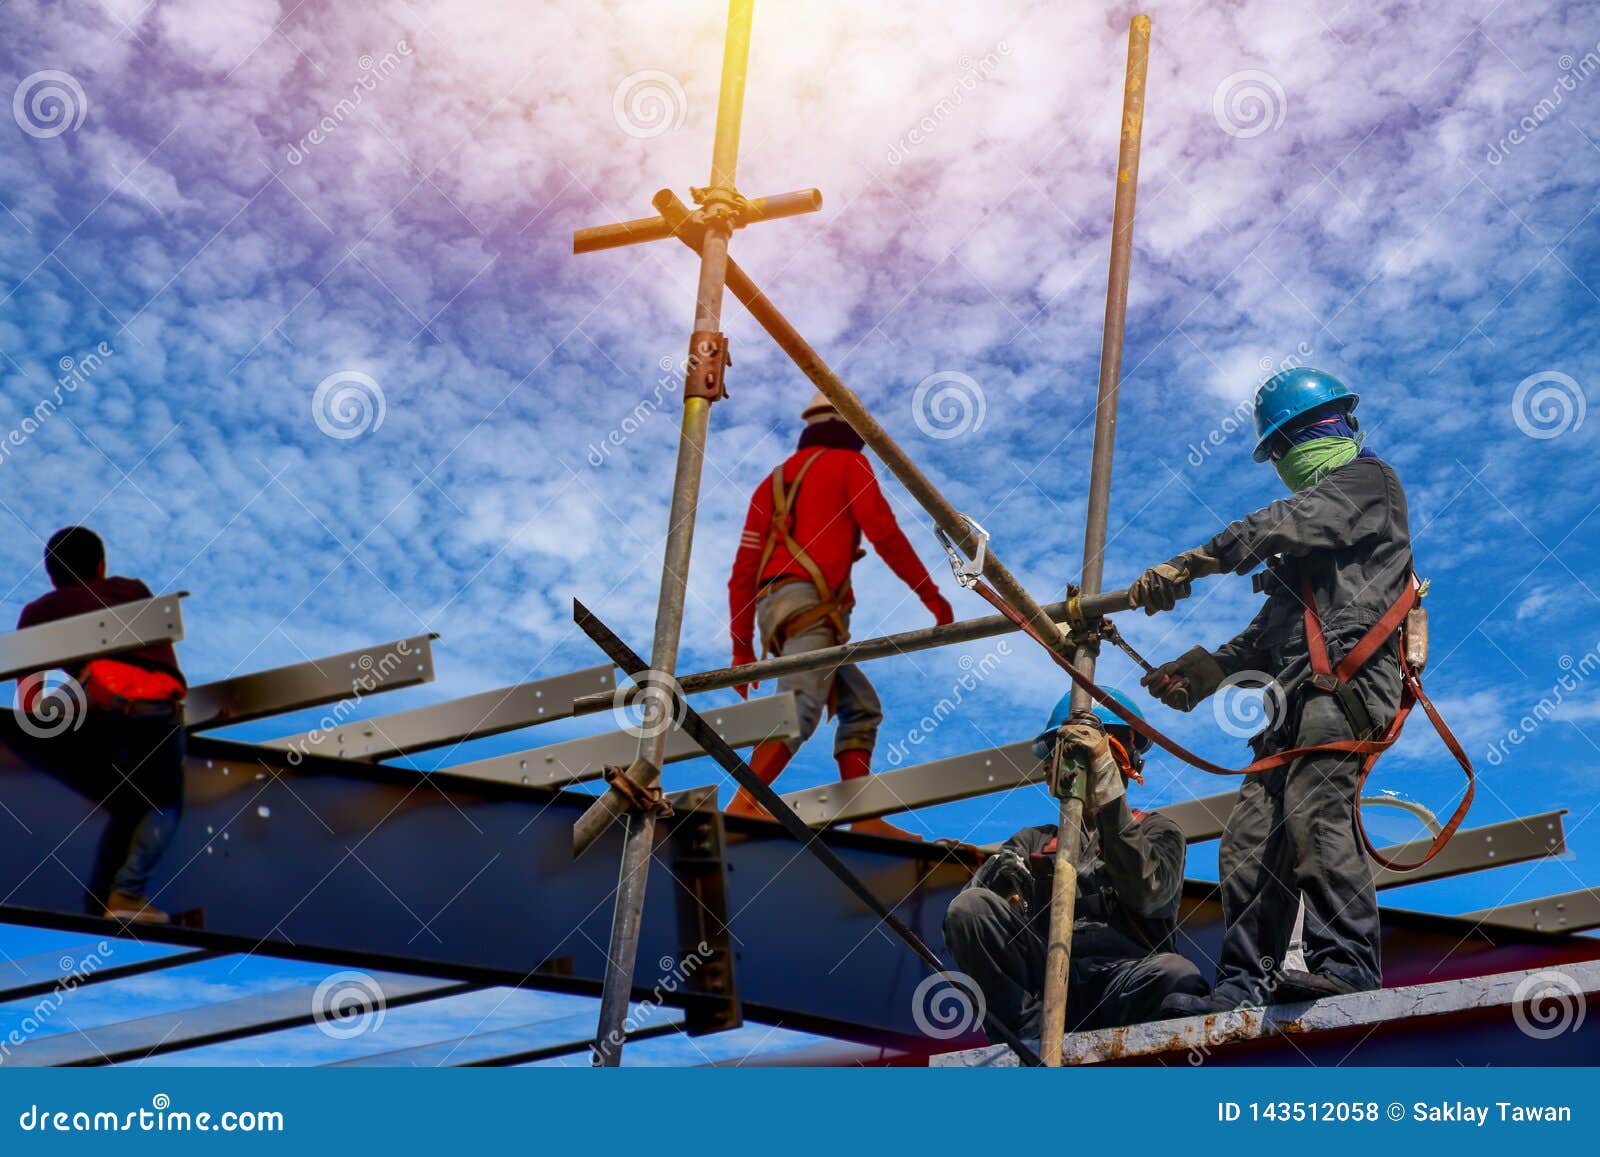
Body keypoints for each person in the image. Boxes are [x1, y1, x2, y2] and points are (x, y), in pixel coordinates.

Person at [1127, 369, 1410, 1012]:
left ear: (1344, 427)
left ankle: (1346, 968)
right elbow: (1262, 639)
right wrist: (1203, 674)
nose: (1299, 450)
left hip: (1346, 686)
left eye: (1309, 433)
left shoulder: (1371, 484)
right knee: (1250, 841)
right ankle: (1241, 985)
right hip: (1291, 701)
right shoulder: (1301, 554)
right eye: (1286, 444)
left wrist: (1192, 563)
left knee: (1316, 814)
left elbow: (1283, 520)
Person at [726, 391, 954, 838]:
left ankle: (863, 815)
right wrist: (932, 596)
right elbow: (884, 534)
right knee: (799, 709)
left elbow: (742, 573)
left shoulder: (770, 484)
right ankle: (743, 805)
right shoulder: (849, 465)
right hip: (811, 608)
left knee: (860, 707)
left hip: (777, 611)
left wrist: (741, 649)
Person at [942, 688, 1207, 1038]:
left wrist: (1108, 799)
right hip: (1046, 982)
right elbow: (966, 922)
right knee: (970, 907)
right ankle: (1029, 1035)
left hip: (1125, 980)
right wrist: (994, 879)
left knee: (1176, 974)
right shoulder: (1033, 841)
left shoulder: (1158, 831)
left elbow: (1148, 894)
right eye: (1063, 752)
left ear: (1122, 761)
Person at [16, 527, 187, 924]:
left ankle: (114, 881)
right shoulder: (132, 588)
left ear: (52, 576)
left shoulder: (41, 610)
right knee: (165, 802)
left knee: (53, 724)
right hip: (159, 709)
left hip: (98, 698)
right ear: (101, 564)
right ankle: (126, 893)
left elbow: (30, 697)